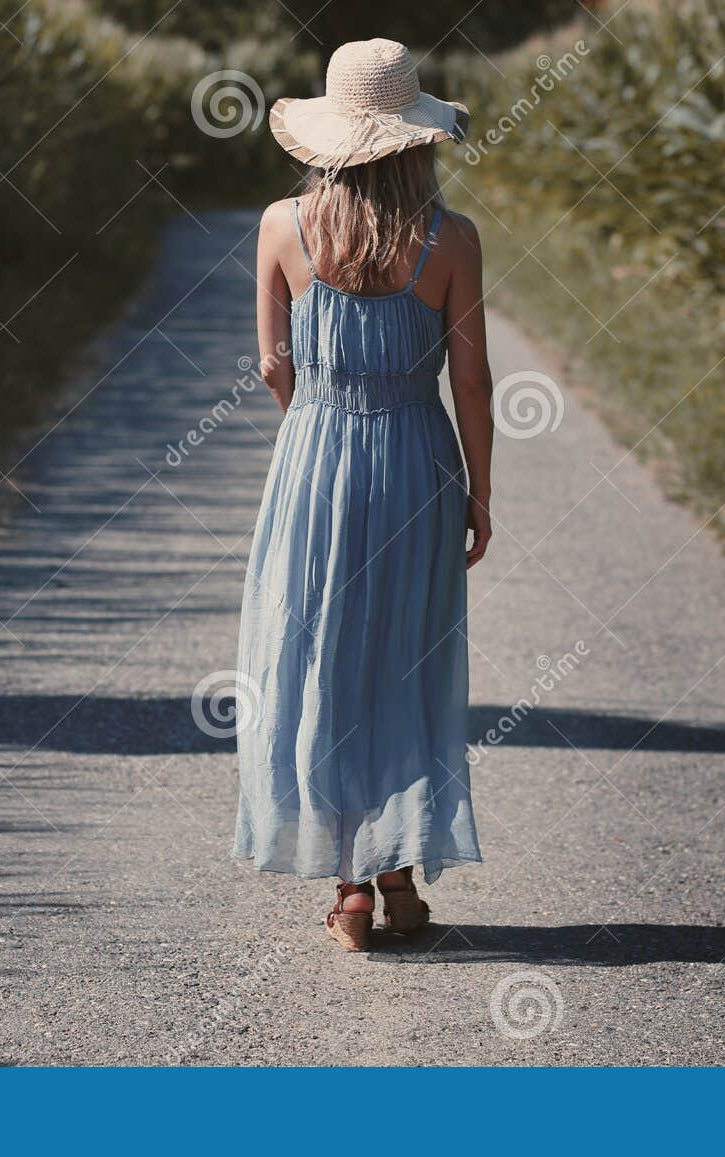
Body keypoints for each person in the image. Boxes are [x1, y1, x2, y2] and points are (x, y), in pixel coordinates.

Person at [232, 38, 494, 951]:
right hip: (419, 462)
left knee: (321, 661)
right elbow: (474, 385)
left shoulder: (280, 226)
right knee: (406, 663)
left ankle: (348, 888)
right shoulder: (451, 239)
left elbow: (275, 367)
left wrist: (317, 424)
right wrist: (481, 494)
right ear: (417, 139)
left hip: (314, 458)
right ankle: (400, 877)